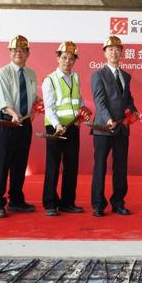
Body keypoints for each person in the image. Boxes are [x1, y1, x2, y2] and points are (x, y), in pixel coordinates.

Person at [0, 35, 38, 218]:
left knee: (20, 163)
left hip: (24, 122)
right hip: (7, 122)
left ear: (28, 53)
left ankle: (16, 200)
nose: (18, 53)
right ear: (10, 53)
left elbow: (31, 96)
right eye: (14, 50)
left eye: (22, 50)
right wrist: (13, 114)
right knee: (3, 163)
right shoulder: (3, 73)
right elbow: (4, 99)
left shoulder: (31, 74)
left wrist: (37, 104)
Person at [90, 36, 137, 217]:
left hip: (122, 128)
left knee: (121, 167)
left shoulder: (125, 76)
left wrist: (133, 111)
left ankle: (118, 202)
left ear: (121, 52)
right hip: (103, 128)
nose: (114, 52)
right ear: (105, 53)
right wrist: (108, 119)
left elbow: (128, 99)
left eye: (117, 49)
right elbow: (99, 101)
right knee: (100, 167)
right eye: (110, 49)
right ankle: (98, 204)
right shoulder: (98, 75)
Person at [41, 41, 85, 216]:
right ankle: (50, 204)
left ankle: (68, 202)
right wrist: (57, 125)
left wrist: (82, 112)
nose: (68, 61)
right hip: (55, 128)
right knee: (53, 166)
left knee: (71, 166)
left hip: (73, 127)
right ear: (58, 58)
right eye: (64, 57)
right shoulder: (50, 80)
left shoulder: (76, 77)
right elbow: (49, 107)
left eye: (71, 58)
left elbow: (77, 100)